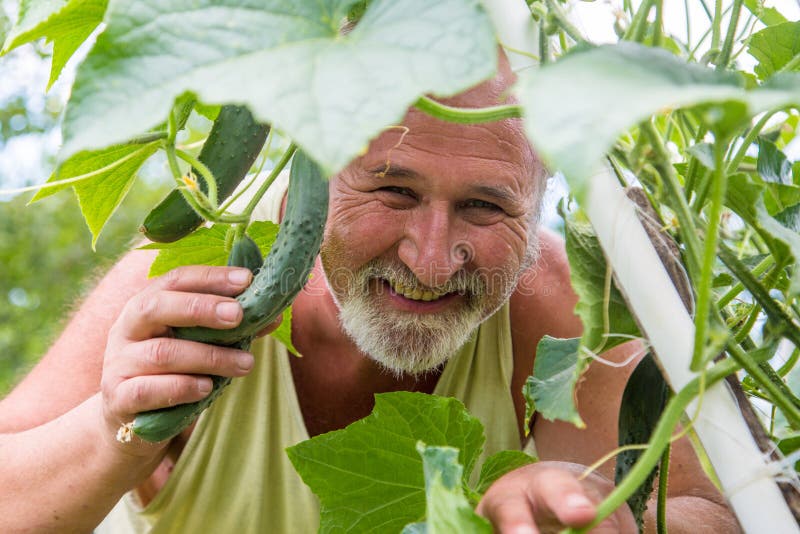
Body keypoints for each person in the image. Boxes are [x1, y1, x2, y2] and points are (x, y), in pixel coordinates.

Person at [0, 54, 738, 533]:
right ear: (309, 177)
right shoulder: (192, 288)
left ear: (543, 195)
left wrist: (614, 525)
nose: (432, 259)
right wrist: (112, 429)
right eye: (393, 189)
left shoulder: (557, 308)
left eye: (486, 207)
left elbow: (713, 512)